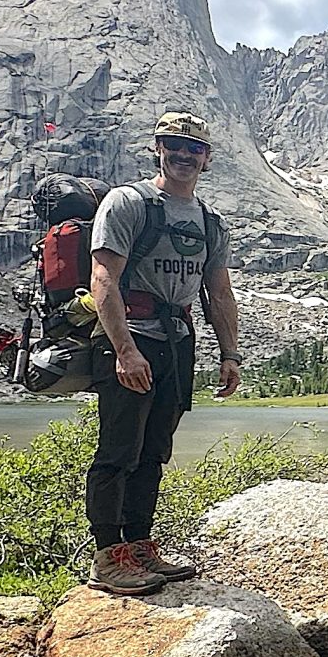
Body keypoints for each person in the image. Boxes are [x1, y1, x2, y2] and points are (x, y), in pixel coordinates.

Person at [83, 111, 241, 594]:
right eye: (174, 145)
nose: (184, 155)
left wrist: (229, 354)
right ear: (158, 148)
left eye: (194, 148)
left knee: (155, 450)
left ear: (207, 157)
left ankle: (141, 546)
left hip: (178, 342)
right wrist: (124, 350)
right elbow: (103, 278)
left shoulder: (210, 223)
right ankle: (109, 557)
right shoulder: (128, 203)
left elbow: (219, 291)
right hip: (132, 338)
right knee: (118, 449)